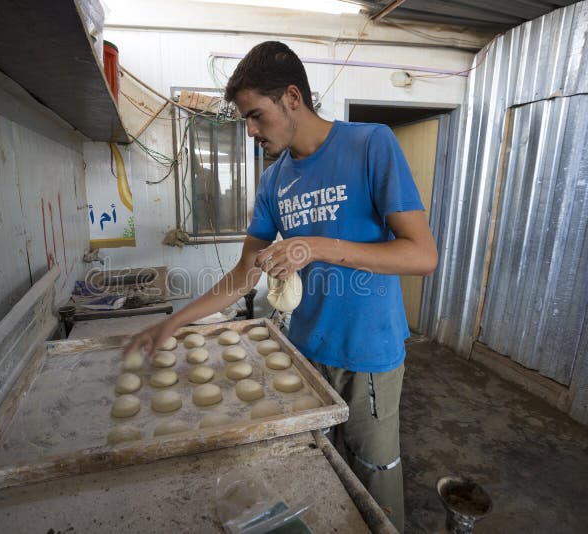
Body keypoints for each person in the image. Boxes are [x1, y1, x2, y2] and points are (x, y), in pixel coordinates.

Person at [124, 41, 437, 532]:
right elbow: (245, 272)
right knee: (318, 472)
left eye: (255, 116)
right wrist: (174, 322)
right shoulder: (274, 181)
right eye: (245, 121)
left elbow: (422, 255)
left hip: (367, 356)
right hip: (305, 353)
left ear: (292, 96)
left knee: (373, 481)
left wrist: (317, 245)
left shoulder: (370, 144)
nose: (250, 132)